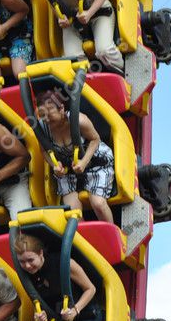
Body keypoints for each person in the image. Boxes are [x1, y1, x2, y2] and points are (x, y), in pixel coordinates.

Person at [14, 232, 101, 321]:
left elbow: (91, 289)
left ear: (41, 253)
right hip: (58, 320)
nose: (27, 266)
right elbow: (40, 303)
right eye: (22, 262)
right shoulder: (27, 277)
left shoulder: (63, 263)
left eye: (30, 260)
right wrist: (40, 315)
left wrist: (75, 310)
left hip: (85, 313)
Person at [36, 90, 114, 224]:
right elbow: (44, 151)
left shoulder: (79, 120)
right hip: (68, 169)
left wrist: (84, 162)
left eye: (50, 114)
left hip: (93, 161)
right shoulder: (42, 128)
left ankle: (112, 235)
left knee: (98, 204)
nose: (47, 119)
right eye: (43, 115)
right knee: (73, 214)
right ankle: (86, 240)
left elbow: (95, 139)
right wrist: (54, 165)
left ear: (61, 109)